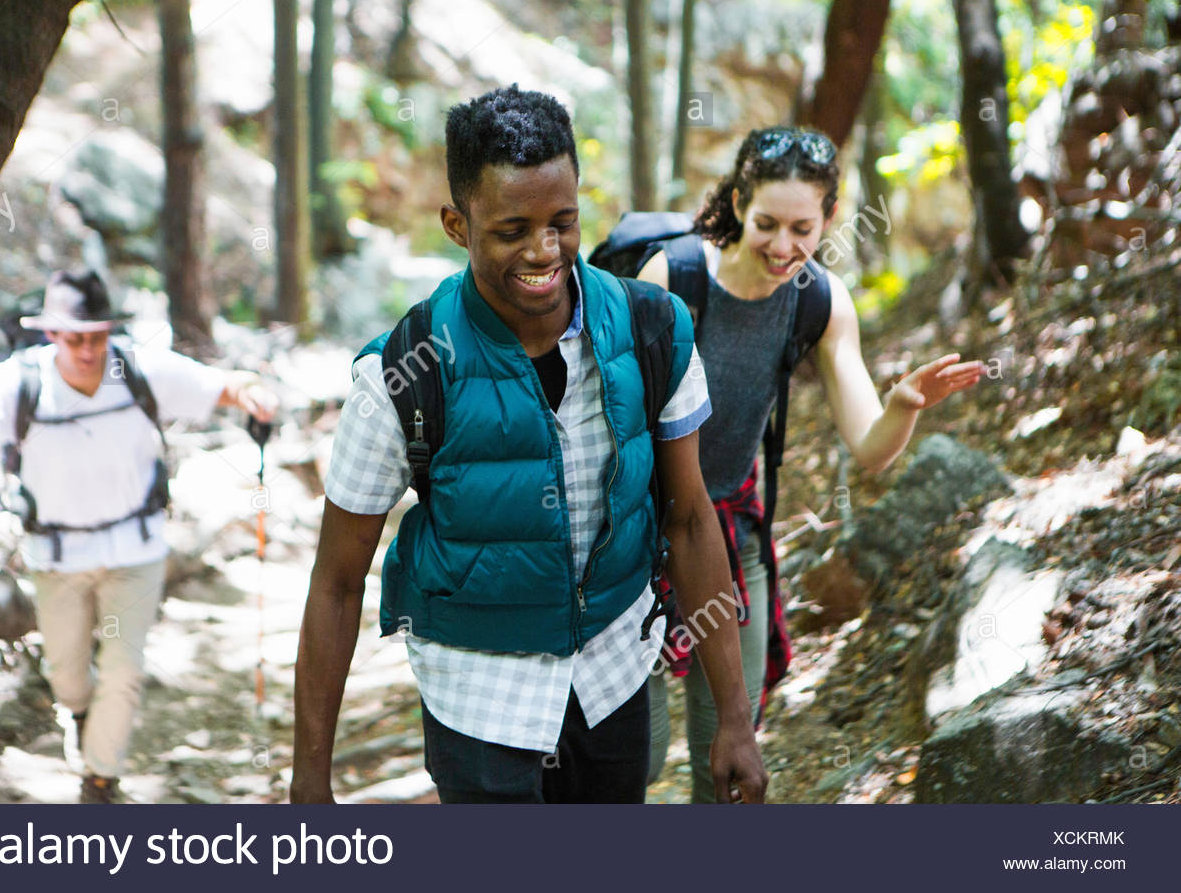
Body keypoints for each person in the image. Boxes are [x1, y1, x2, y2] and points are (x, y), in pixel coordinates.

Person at [290, 84, 766, 804]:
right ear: (458, 223)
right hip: (479, 702)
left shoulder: (653, 330)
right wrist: (310, 779)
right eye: (513, 229)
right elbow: (334, 581)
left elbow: (693, 520)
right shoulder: (402, 373)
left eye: (562, 222)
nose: (545, 251)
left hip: (612, 679)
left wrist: (734, 718)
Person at [639, 125, 983, 802]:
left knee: (731, 750)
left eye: (803, 227)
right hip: (635, 536)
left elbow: (870, 447)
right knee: (636, 757)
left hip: (730, 535)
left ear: (829, 218)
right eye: (767, 223)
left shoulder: (820, 301)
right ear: (738, 203)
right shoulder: (671, 278)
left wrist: (904, 404)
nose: (783, 247)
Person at [0, 269, 277, 803]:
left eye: (97, 335)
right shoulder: (19, 382)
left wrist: (254, 393)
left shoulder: (138, 368)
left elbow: (221, 385)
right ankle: (80, 717)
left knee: (123, 672)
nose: (87, 349)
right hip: (56, 556)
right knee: (68, 677)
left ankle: (99, 782)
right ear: (52, 335)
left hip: (136, 551)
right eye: (74, 337)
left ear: (110, 330)